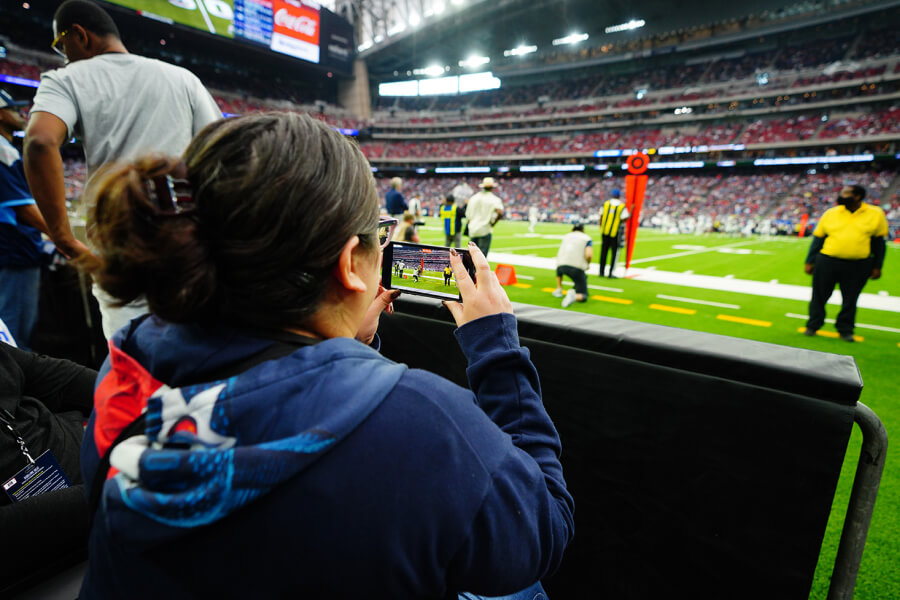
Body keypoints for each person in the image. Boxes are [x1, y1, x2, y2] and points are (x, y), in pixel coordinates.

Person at [78, 113, 573, 599]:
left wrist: (342, 351)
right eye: (380, 233)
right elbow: (542, 529)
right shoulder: (420, 418)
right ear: (347, 263)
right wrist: (497, 347)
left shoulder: (128, 361)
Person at [24, 0, 222, 339]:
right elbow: (221, 151)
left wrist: (63, 237)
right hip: (187, 246)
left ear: (79, 35)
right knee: (194, 358)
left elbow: (40, 142)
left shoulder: (67, 78)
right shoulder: (183, 78)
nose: (63, 55)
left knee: (132, 366)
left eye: (61, 45)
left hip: (119, 249)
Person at [0, 341, 96, 581]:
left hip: (92, 454)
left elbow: (47, 372)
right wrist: (109, 492)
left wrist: (138, 398)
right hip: (52, 539)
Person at [804, 184, 888, 342]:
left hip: (858, 264)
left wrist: (877, 266)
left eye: (846, 193)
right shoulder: (831, 213)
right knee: (819, 296)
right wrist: (810, 261)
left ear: (857, 196)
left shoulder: (875, 213)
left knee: (850, 299)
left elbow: (878, 243)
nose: (841, 196)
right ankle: (813, 325)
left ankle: (845, 329)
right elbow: (819, 238)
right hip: (828, 261)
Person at [0, 90, 50, 350]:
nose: (21, 114)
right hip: (15, 250)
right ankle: (13, 389)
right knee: (15, 332)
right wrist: (62, 237)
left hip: (13, 249)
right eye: (13, 109)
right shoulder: (2, 150)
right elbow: (22, 208)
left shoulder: (8, 147)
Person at [551, 222, 593, 309]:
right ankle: (573, 297)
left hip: (561, 267)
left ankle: (559, 289)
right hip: (576, 268)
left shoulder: (566, 236)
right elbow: (589, 255)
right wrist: (587, 264)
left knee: (560, 268)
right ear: (582, 230)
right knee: (584, 295)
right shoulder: (586, 238)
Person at [466, 177, 504, 257]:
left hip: (473, 230)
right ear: (492, 187)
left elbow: (468, 216)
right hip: (485, 230)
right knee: (482, 257)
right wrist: (493, 223)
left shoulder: (473, 198)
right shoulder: (494, 199)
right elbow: (500, 212)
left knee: (472, 256)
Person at [598, 189, 629, 278]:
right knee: (614, 253)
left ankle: (601, 271)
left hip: (604, 232)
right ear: (619, 196)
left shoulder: (606, 204)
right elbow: (624, 218)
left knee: (603, 252)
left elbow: (601, 215)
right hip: (615, 233)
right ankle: (611, 273)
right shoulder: (621, 206)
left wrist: (601, 227)